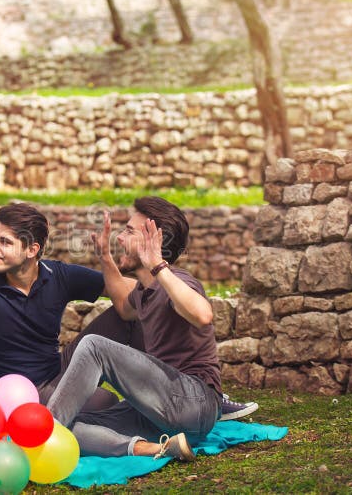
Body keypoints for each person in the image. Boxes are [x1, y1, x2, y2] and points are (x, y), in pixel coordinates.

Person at [0, 203, 257, 420]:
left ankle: (185, 390)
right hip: (15, 391)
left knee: (127, 313)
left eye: (4, 242)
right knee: (108, 405)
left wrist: (153, 275)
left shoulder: (58, 275)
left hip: (60, 374)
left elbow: (125, 295)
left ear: (32, 250)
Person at [46, 196, 223, 460]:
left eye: (129, 231)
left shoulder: (177, 281)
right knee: (78, 423)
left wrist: (157, 264)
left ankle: (43, 433)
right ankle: (154, 448)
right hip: (163, 415)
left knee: (94, 346)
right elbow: (123, 307)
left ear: (154, 240)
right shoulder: (144, 290)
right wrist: (105, 257)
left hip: (195, 402)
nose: (120, 238)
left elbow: (203, 315)